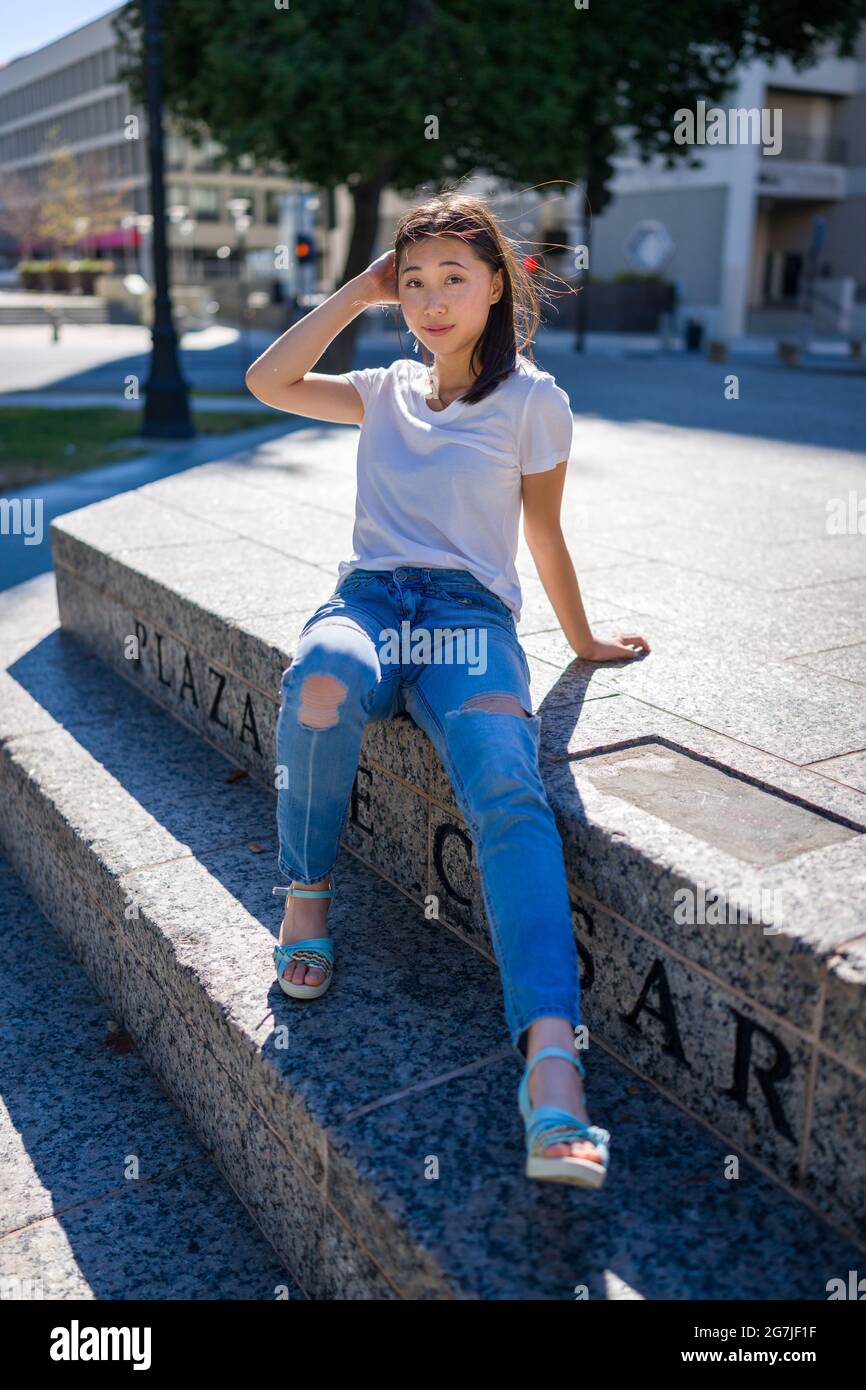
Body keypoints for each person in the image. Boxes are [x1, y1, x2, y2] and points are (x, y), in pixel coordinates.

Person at [245, 191, 650, 1188]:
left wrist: (583, 639)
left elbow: (543, 535)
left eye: (450, 279)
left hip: (470, 623)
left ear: (497, 284)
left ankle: (551, 1066)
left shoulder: (532, 403)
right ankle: (304, 903)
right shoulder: (381, 389)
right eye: (412, 281)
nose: (428, 299)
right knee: (318, 680)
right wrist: (358, 290)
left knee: (506, 782)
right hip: (372, 604)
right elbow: (267, 379)